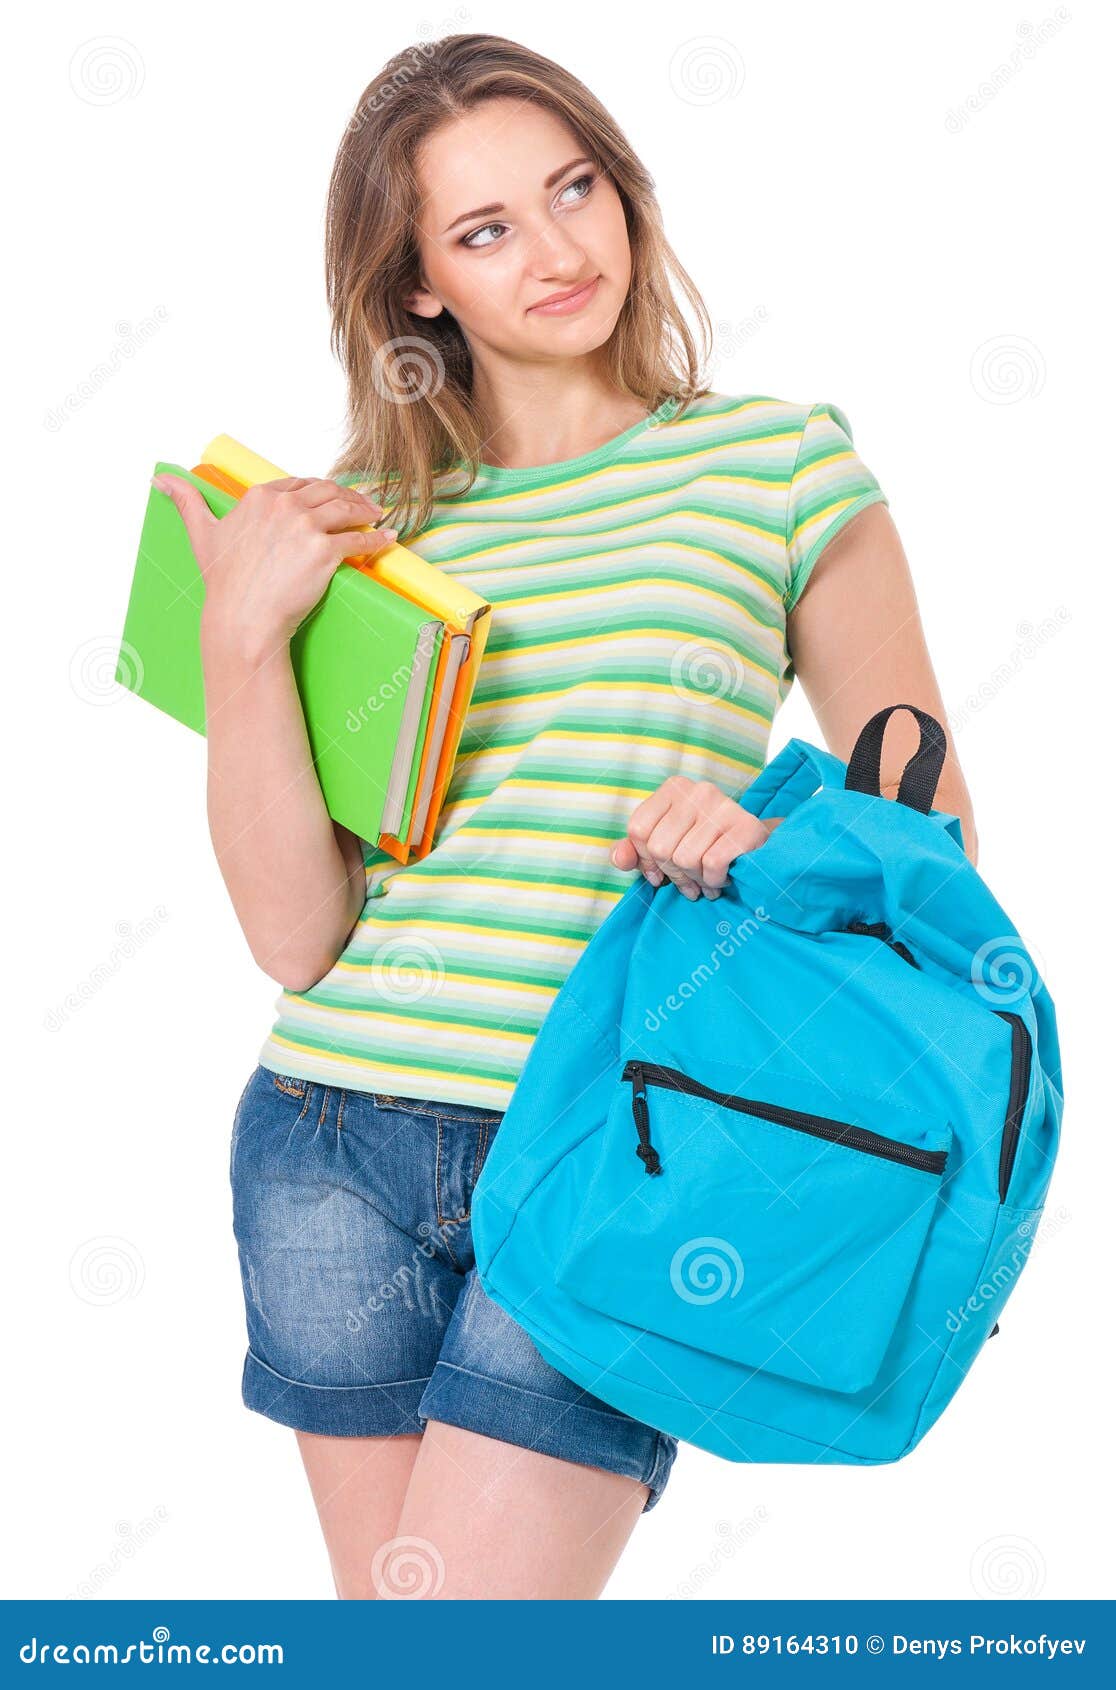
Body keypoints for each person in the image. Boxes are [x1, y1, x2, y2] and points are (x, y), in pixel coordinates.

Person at [153, 33, 977, 1601]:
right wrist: (243, 643)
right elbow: (297, 929)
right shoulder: (374, 526)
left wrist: (769, 840)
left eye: (574, 189)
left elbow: (929, 827)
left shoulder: (777, 462)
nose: (556, 250)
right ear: (416, 290)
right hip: (331, 1138)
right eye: (484, 231)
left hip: (613, 1134)